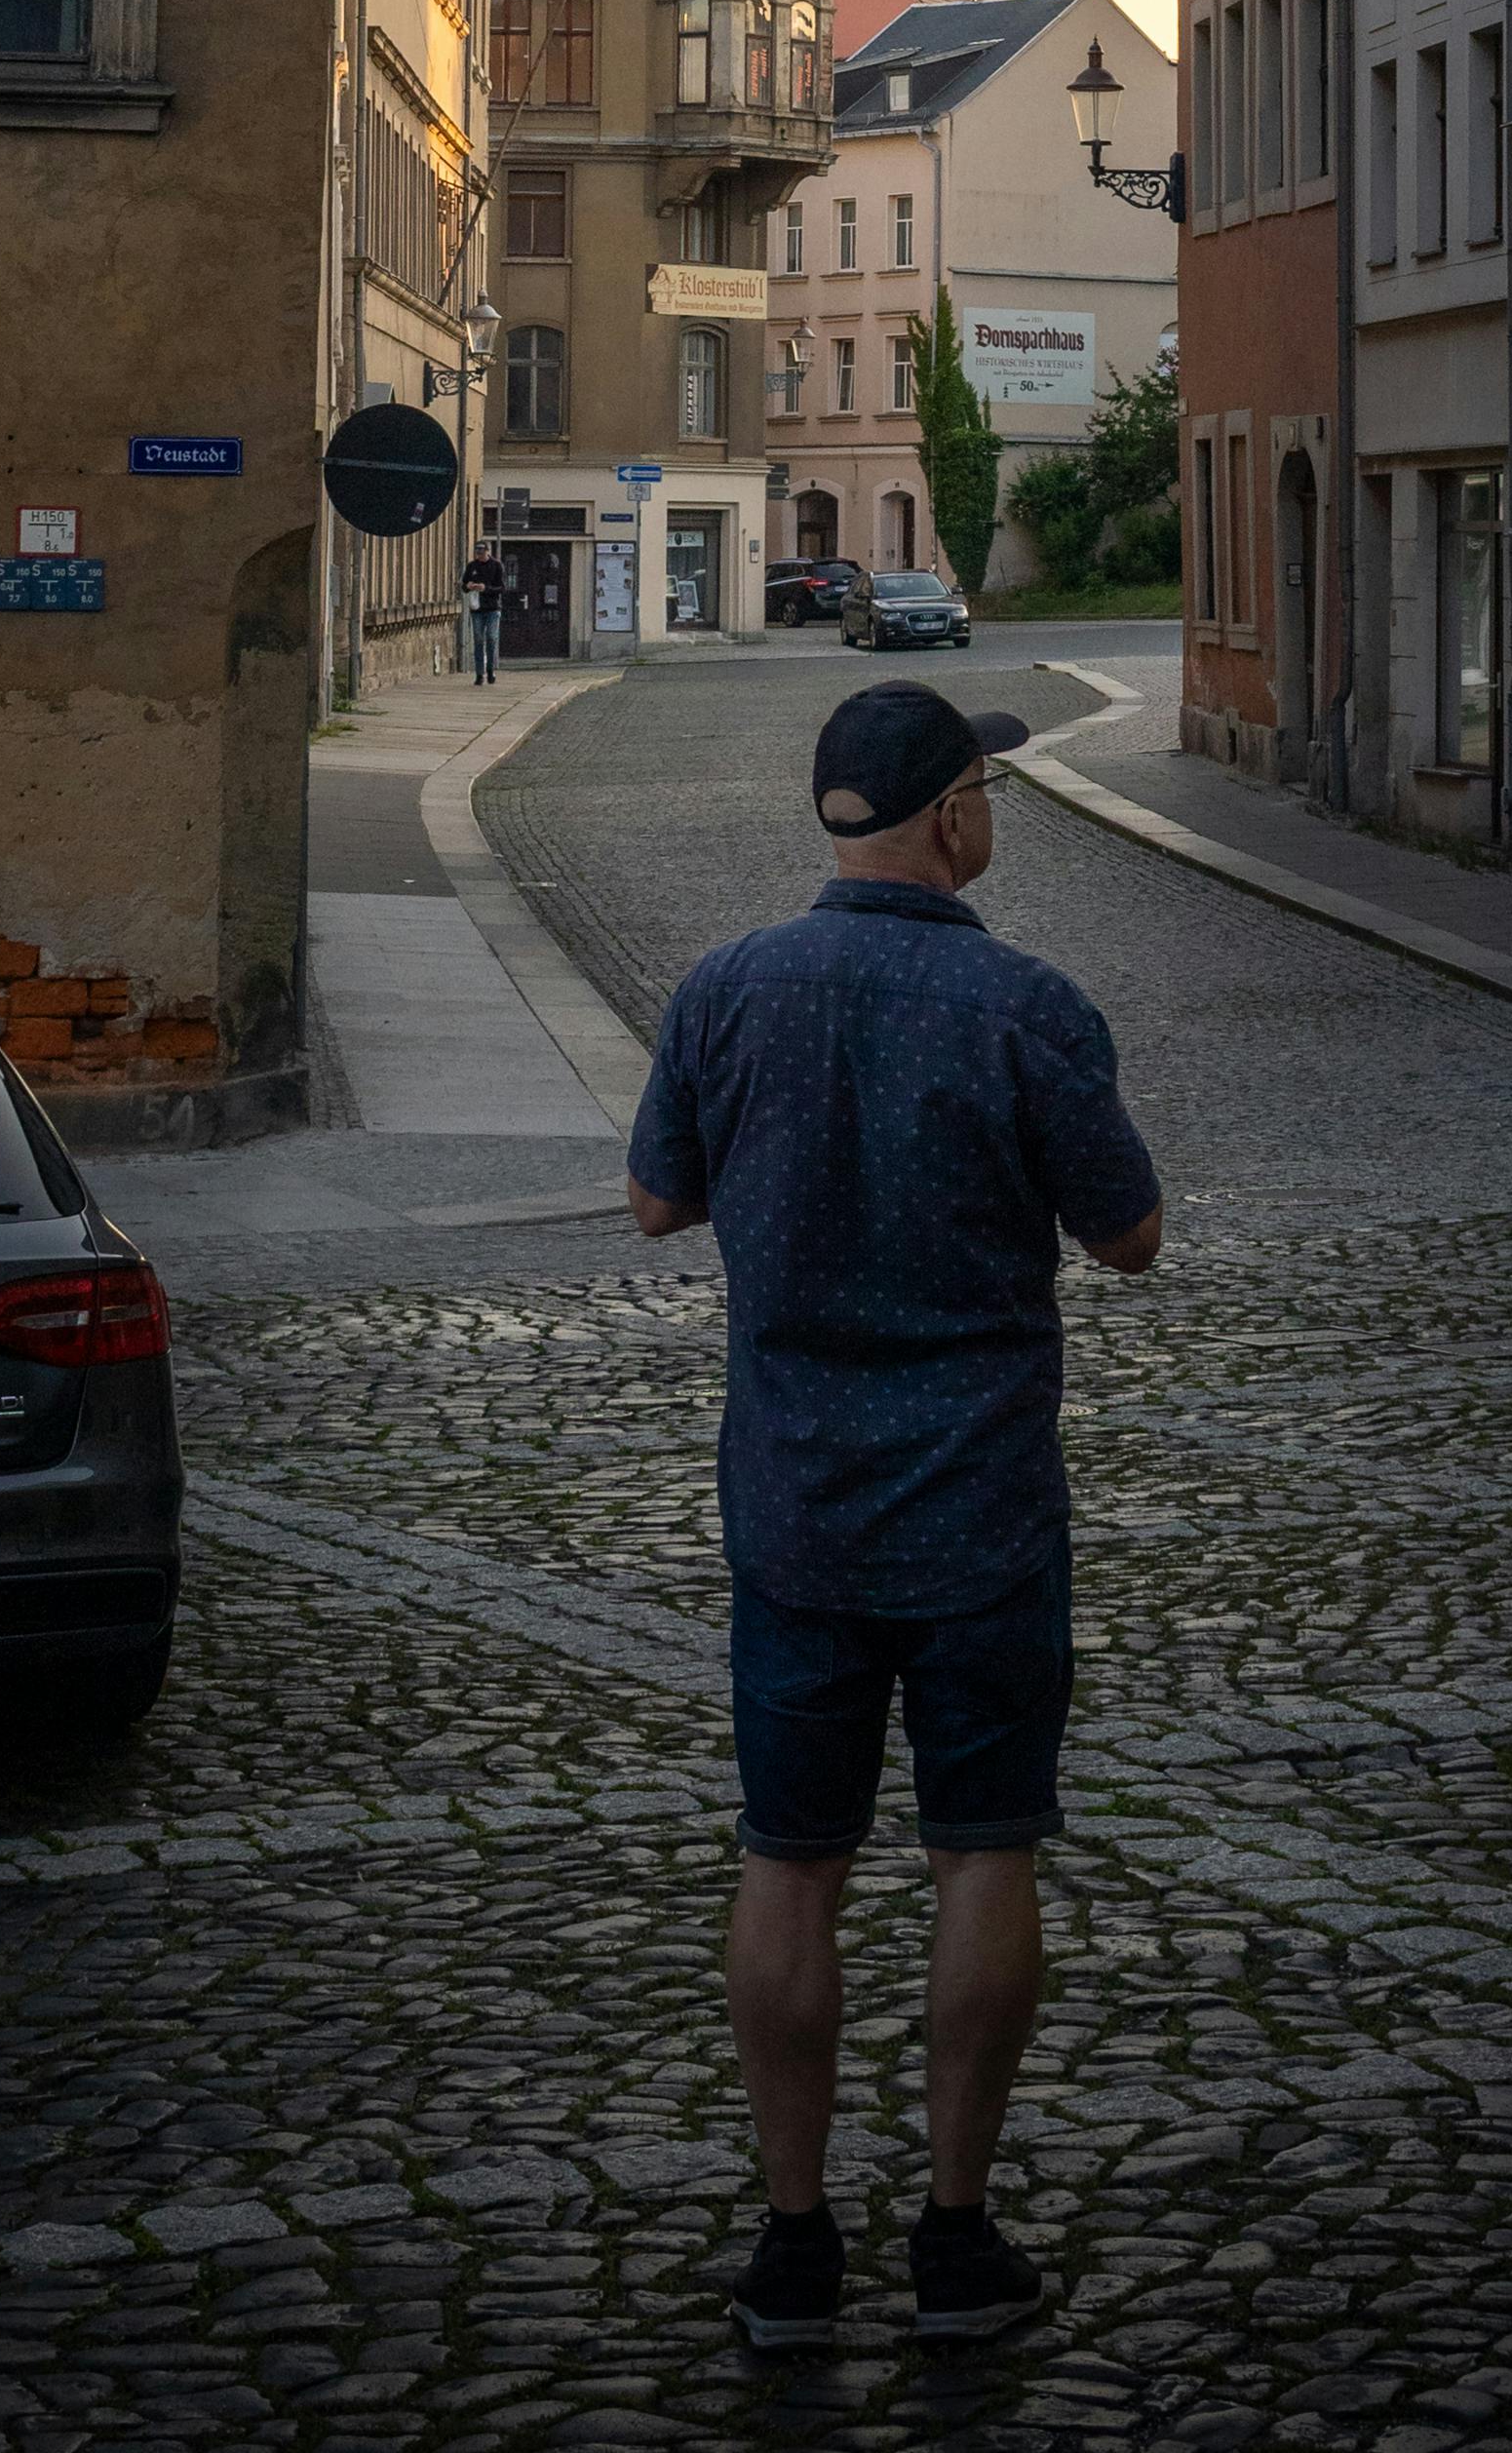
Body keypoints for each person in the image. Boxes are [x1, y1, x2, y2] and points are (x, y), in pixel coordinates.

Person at [625, 681, 1162, 2356]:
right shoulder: (1026, 1005)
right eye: (986, 792)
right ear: (950, 816)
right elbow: (1128, 1234)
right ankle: (952, 2236)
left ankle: (791, 2251)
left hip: (793, 1515)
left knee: (787, 1865)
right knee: (977, 1853)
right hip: (983, 1516)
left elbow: (655, 1199)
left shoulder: (724, 992)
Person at [460, 537, 504, 684]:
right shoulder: (472, 566)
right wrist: (469, 586)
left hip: (492, 608)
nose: (479, 554)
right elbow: (464, 585)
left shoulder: (497, 566)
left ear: (487, 551)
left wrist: (486, 588)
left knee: (491, 638)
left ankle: (490, 670)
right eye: (477, 551)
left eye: (481, 551)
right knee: (478, 640)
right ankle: (480, 674)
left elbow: (502, 588)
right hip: (477, 608)